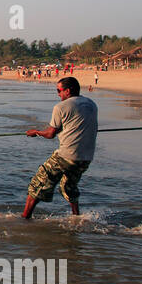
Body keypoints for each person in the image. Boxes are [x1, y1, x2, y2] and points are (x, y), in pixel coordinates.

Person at [22, 76, 98, 219]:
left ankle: (25, 218)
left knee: (37, 184)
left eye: (59, 90)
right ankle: (77, 217)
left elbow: (50, 133)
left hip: (67, 155)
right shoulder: (91, 104)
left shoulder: (61, 107)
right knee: (68, 186)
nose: (58, 94)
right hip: (86, 158)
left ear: (68, 91)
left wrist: (36, 132)